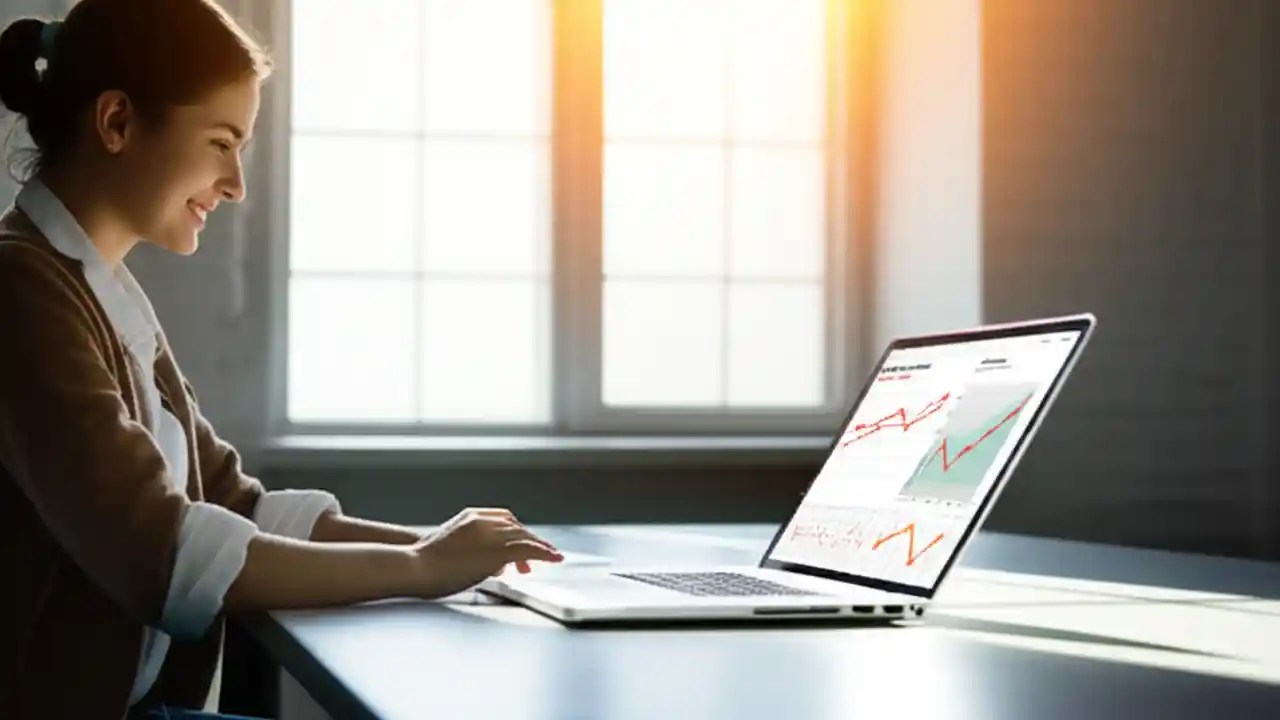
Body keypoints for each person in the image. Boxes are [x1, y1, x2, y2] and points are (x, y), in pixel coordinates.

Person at [0, 1, 564, 717]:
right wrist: (419, 566)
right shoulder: (21, 291)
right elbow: (160, 550)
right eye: (220, 142)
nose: (236, 183)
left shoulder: (94, 291)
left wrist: (445, 552)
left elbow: (235, 503)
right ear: (117, 123)